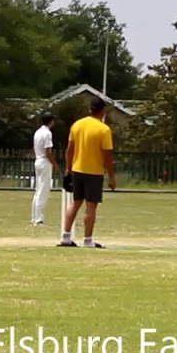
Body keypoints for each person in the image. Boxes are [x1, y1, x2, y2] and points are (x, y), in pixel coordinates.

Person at [59, 97, 116, 248]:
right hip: (94, 172)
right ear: (102, 111)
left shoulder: (77, 125)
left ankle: (65, 236)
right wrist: (111, 177)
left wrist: (68, 170)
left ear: (90, 109)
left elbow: (69, 150)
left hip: (77, 169)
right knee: (90, 207)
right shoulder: (103, 129)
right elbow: (107, 156)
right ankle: (88, 239)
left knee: (75, 203)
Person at [30, 113, 58, 225]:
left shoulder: (38, 132)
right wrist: (54, 163)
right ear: (51, 121)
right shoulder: (47, 133)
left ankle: (34, 216)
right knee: (43, 190)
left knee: (38, 189)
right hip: (44, 161)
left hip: (38, 160)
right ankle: (38, 218)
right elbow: (48, 151)